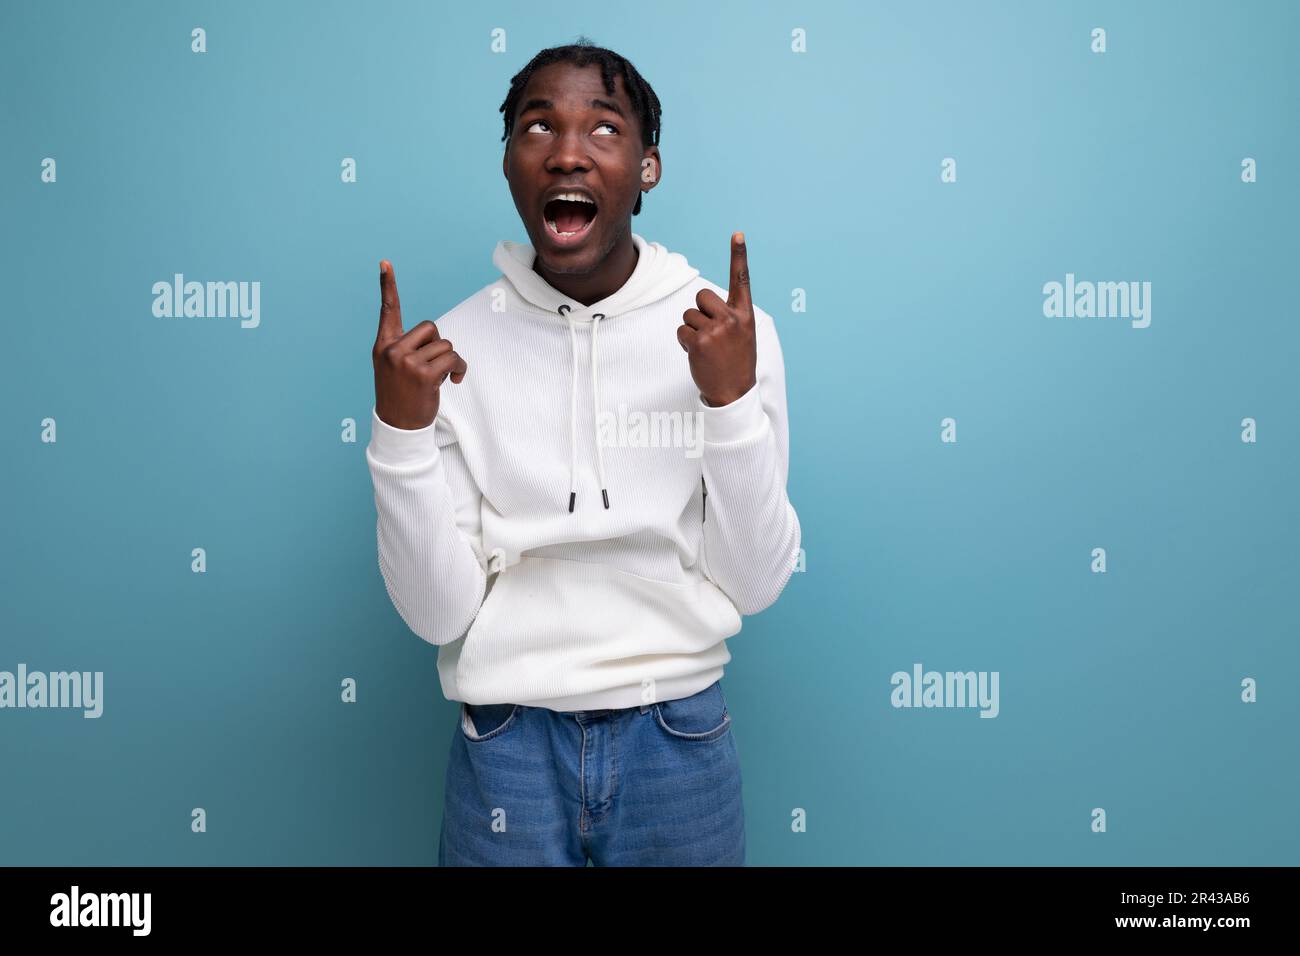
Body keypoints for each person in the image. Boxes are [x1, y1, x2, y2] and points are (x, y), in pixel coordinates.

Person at [365, 38, 800, 866]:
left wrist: (730, 402)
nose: (567, 150)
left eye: (604, 129)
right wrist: (401, 434)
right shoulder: (450, 350)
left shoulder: (731, 339)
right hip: (506, 747)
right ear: (507, 164)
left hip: (678, 735)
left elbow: (758, 583)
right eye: (537, 127)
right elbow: (437, 616)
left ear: (648, 168)